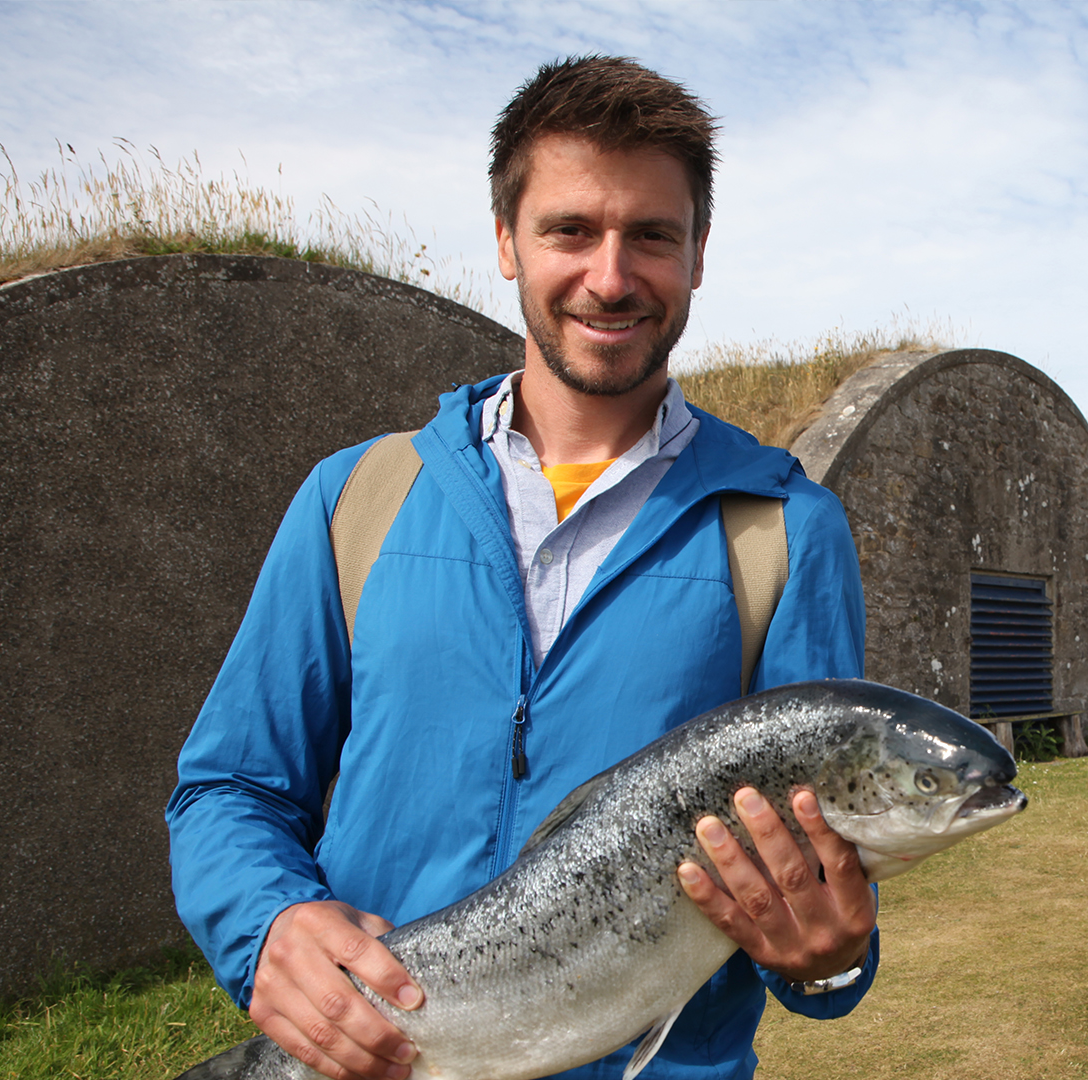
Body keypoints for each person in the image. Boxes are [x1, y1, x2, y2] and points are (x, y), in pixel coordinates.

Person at [167, 56, 875, 1080]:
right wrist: (267, 925)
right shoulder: (355, 498)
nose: (611, 275)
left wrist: (831, 962)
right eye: (570, 230)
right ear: (505, 239)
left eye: (652, 236)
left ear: (699, 254)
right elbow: (230, 787)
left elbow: (825, 862)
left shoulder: (783, 534)